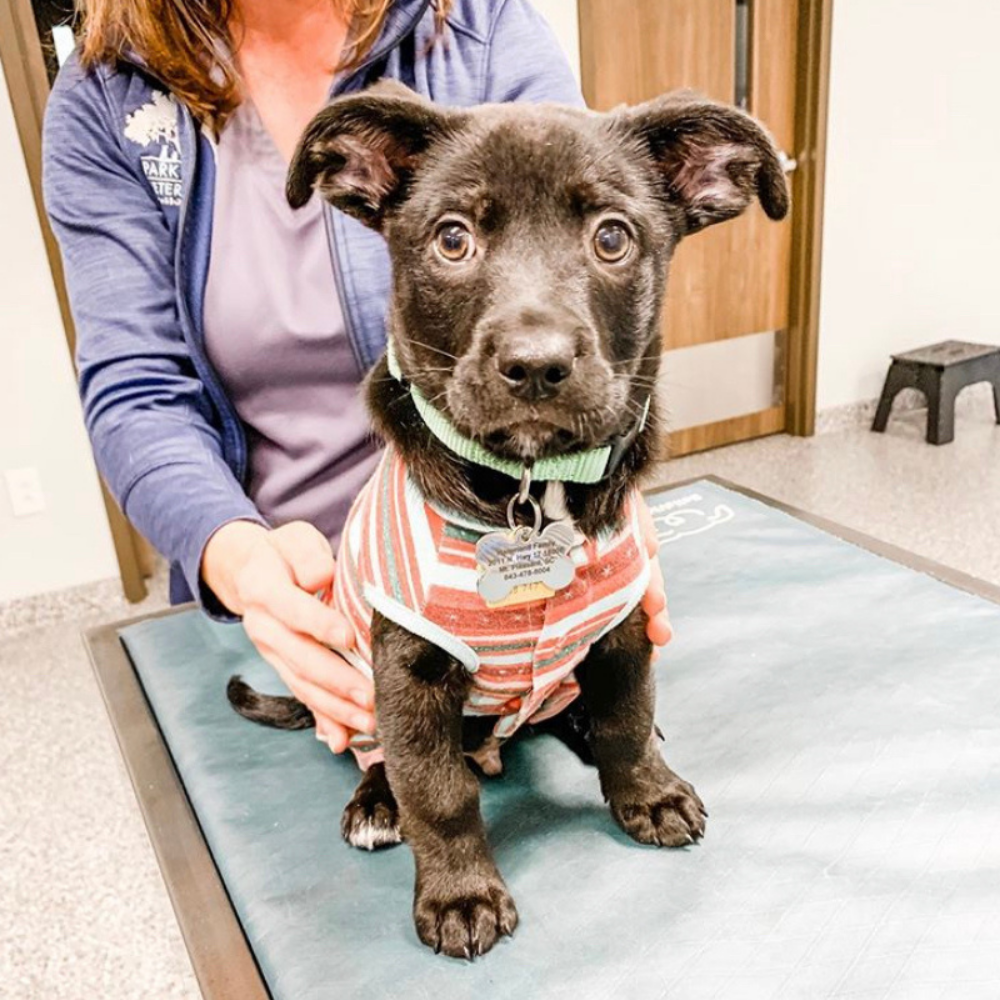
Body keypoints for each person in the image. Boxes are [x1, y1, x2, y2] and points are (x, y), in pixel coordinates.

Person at [43, 0, 672, 757]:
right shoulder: (106, 98)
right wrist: (236, 558)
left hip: (514, 534)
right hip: (303, 587)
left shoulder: (479, 25)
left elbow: (578, 266)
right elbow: (138, 389)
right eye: (454, 238)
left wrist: (599, 495)